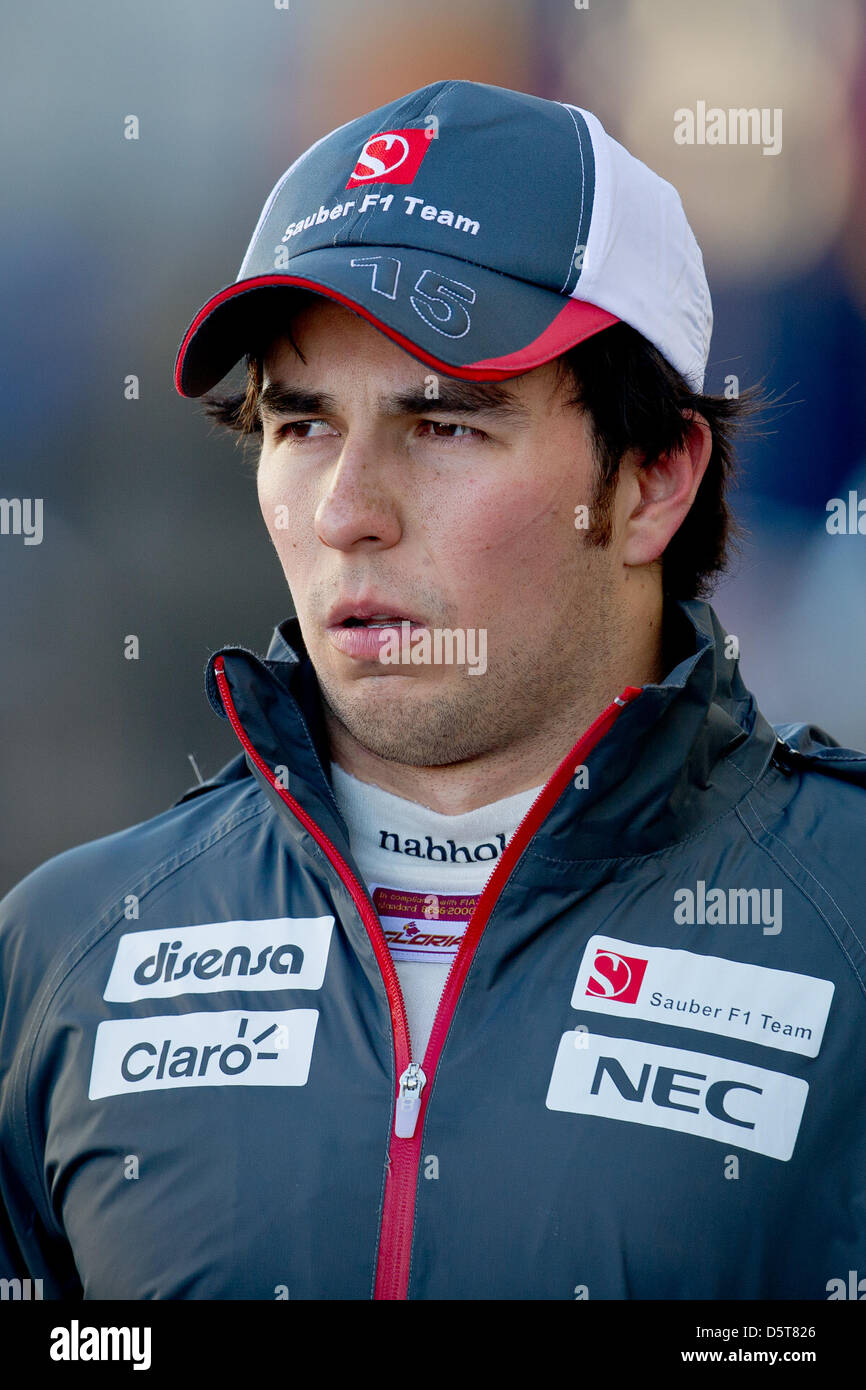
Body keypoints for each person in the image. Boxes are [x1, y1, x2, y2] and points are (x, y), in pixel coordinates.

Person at [1, 79, 864, 1302]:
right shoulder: (65, 947)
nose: (348, 512)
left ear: (654, 478)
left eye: (444, 422)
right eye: (299, 426)